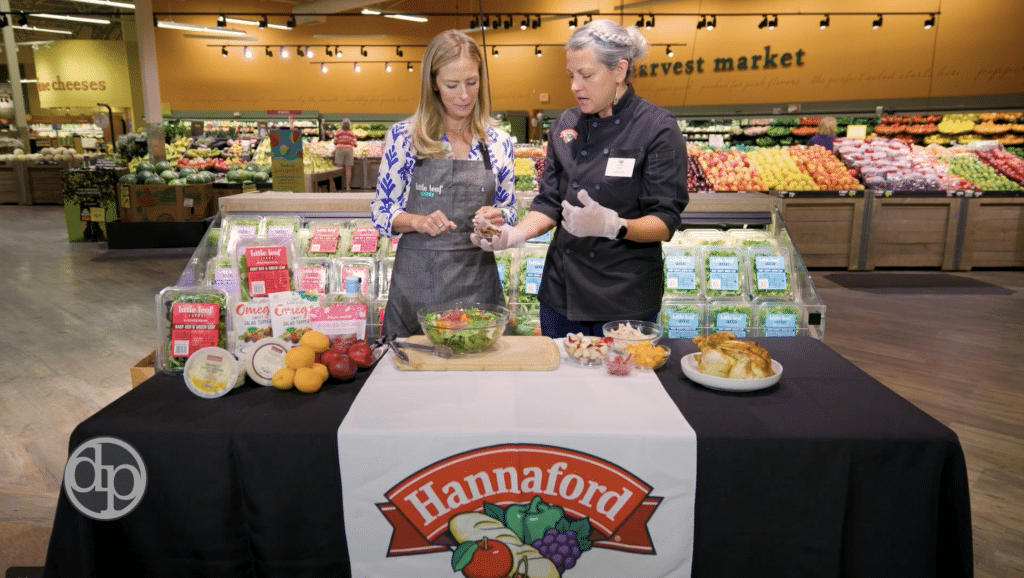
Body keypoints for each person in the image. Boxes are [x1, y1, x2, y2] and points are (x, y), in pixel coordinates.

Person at [472, 19, 688, 338]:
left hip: (624, 299)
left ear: (619, 70)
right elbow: (549, 203)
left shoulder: (658, 128)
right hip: (561, 294)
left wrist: (615, 225)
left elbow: (665, 220)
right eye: (571, 75)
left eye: (585, 75)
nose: (575, 86)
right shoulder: (565, 124)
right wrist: (514, 235)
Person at [371, 30, 517, 337]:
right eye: (452, 85)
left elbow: (510, 210)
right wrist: (418, 221)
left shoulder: (498, 142)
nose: (464, 95)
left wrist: (497, 218)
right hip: (418, 288)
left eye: (472, 82)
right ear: (433, 84)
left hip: (478, 286)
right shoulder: (404, 138)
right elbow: (383, 212)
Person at [333, 118, 358, 190]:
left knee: (338, 168)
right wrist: (349, 142)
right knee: (348, 169)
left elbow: (335, 142)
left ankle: (338, 187)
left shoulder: (338, 132)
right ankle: (347, 187)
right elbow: (355, 144)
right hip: (349, 150)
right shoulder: (351, 133)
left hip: (339, 150)